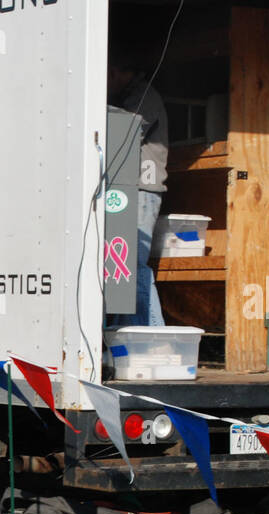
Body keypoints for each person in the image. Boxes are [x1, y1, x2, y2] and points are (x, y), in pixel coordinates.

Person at [108, 50, 168, 327]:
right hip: (132, 190)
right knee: (123, 266)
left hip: (142, 190)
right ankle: (129, 333)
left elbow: (129, 130)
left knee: (133, 266)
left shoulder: (143, 97)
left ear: (118, 72)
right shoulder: (131, 96)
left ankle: (151, 335)